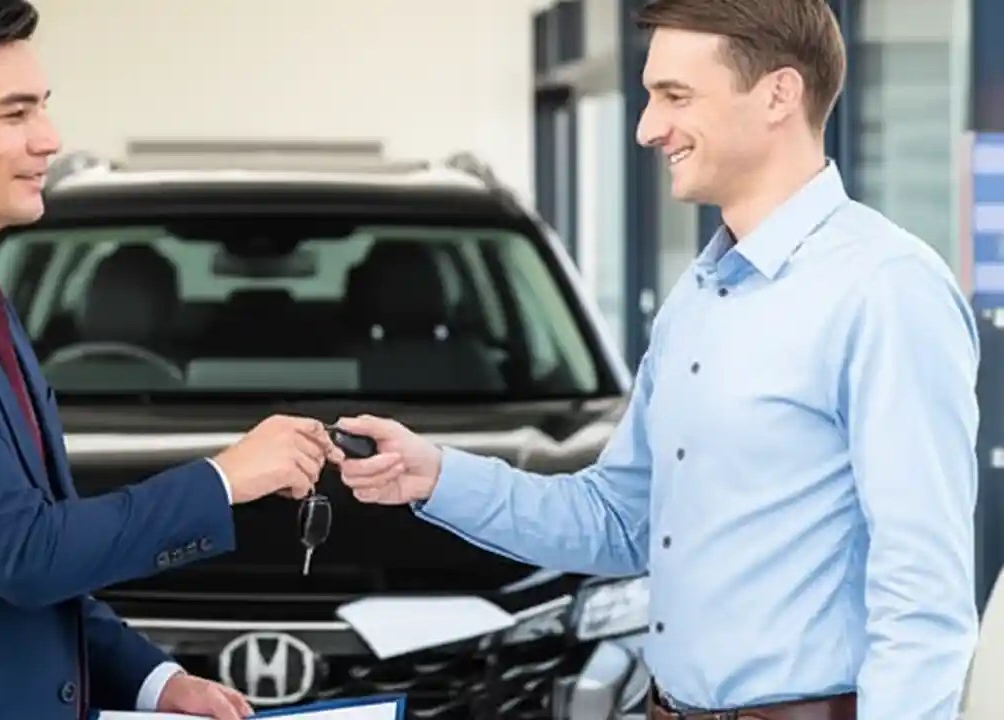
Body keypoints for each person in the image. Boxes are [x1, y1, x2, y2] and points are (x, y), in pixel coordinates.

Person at [336, 0, 980, 718]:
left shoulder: (885, 290)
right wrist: (434, 474)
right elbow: (621, 521)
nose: (648, 127)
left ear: (779, 94)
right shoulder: (699, 298)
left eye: (676, 96)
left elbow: (923, 596)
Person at [0, 2, 342, 719]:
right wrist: (224, 477)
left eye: (43, 108)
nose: (49, 139)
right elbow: (27, 552)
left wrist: (154, 682)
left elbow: (28, 557)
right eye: (15, 115)